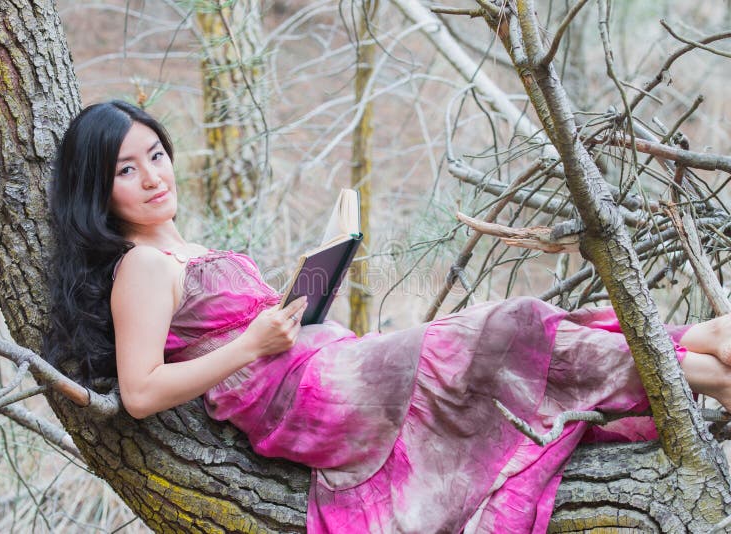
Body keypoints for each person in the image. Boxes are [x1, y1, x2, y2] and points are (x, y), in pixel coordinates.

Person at [47, 100, 731, 533]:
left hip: (324, 368)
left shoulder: (183, 247)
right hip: (311, 405)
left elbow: (244, 329)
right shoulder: (138, 267)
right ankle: (695, 358)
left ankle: (699, 356)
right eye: (127, 171)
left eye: (156, 156)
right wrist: (253, 343)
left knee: (511, 333)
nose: (154, 177)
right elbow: (139, 393)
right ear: (97, 191)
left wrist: (305, 300)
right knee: (509, 327)